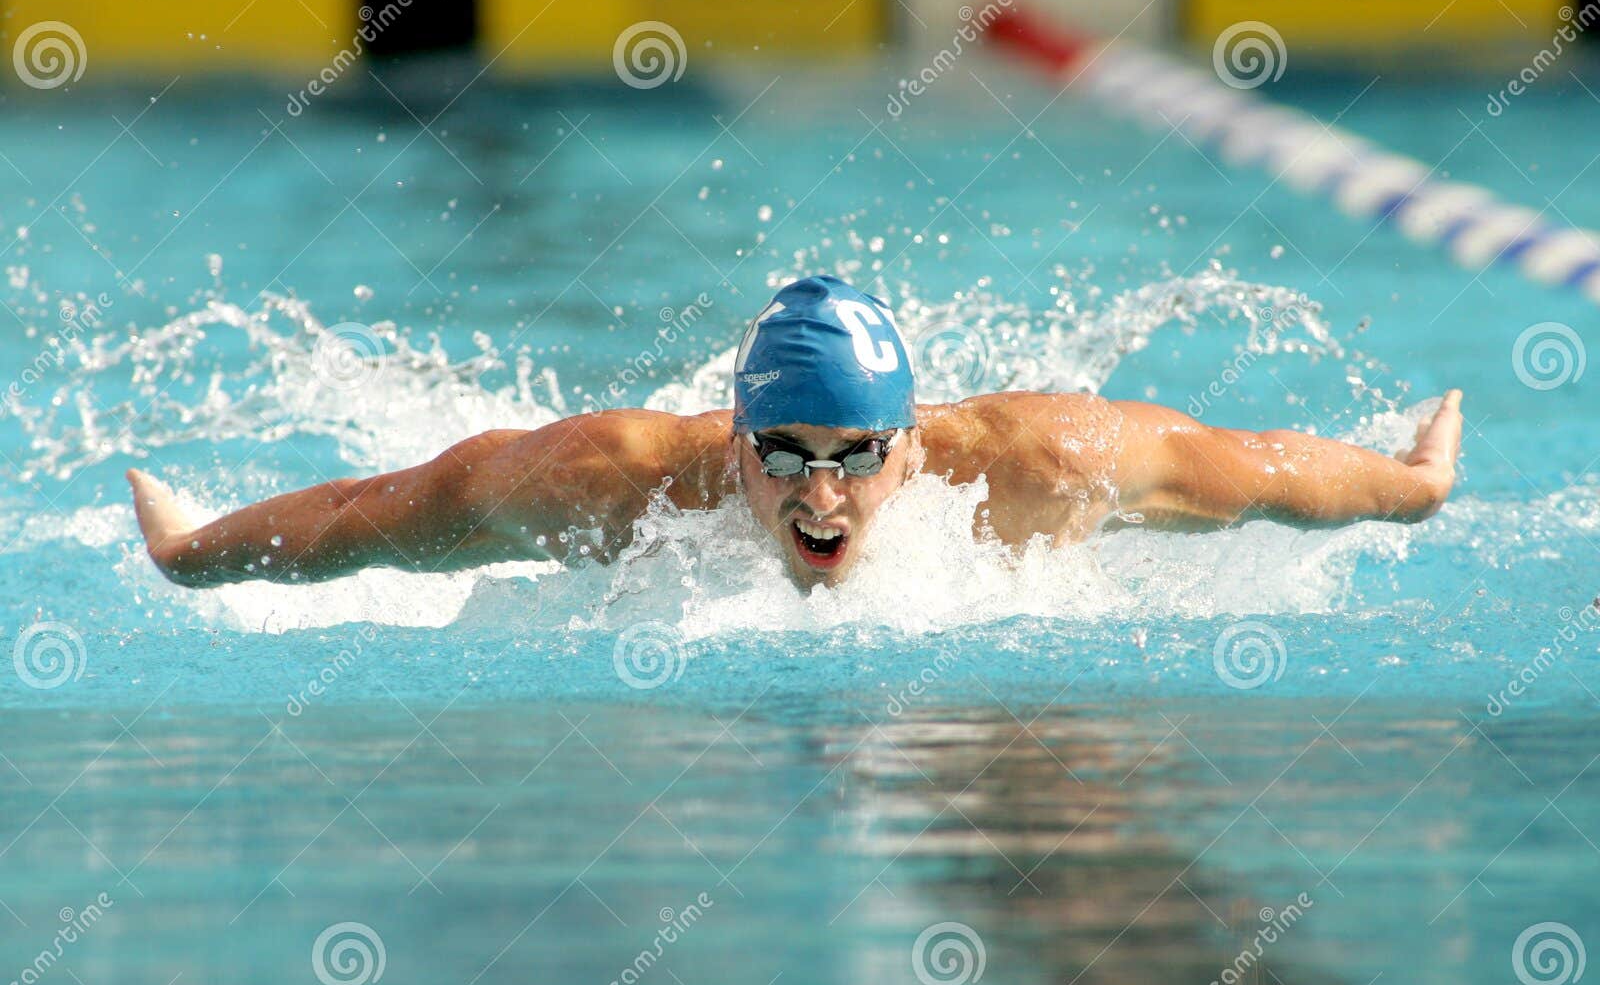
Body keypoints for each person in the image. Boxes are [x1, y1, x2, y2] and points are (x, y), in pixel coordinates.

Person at [127, 276, 1463, 591]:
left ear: (915, 447)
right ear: (735, 439)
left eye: (854, 454)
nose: (819, 490)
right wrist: (197, 554)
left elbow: (1272, 473)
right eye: (784, 454)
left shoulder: (1040, 470)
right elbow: (384, 513)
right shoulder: (616, 485)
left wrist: (1412, 484)